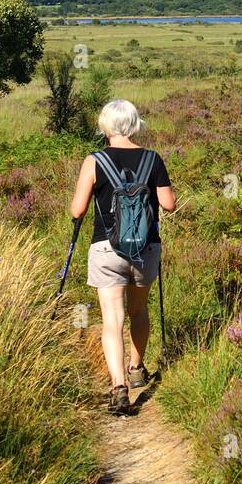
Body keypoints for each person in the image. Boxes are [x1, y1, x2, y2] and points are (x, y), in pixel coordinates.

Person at [69, 99, 176, 414]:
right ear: (135, 124)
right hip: (145, 247)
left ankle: (118, 387)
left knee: (111, 320)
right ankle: (136, 368)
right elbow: (168, 205)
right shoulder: (153, 160)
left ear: (105, 126)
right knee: (138, 311)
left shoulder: (94, 161)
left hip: (106, 247)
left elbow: (77, 210)